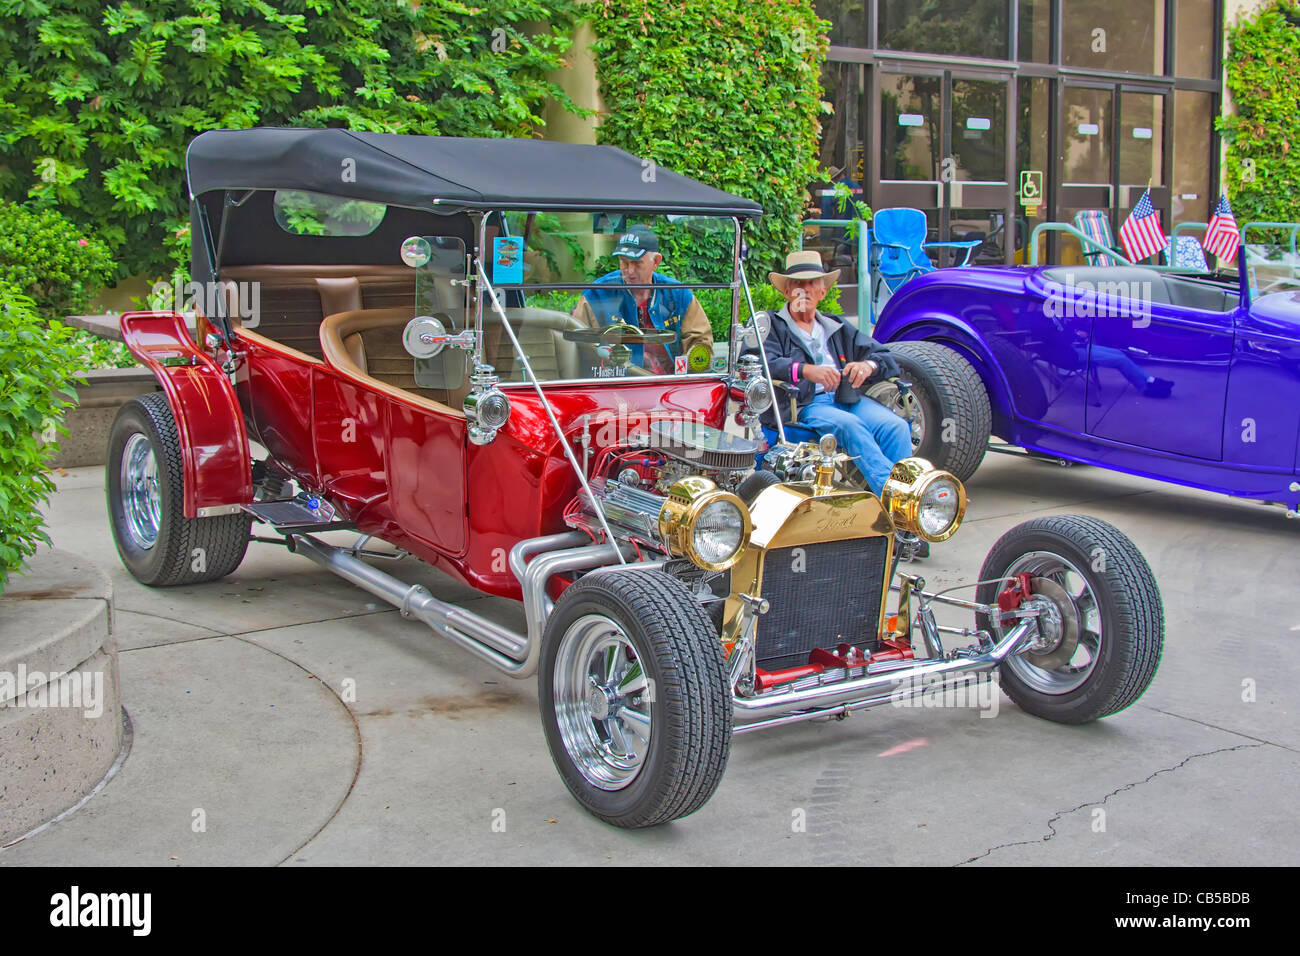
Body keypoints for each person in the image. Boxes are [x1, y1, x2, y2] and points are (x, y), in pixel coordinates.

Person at [746, 250, 913, 497]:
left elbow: (885, 357)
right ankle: (898, 498)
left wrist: (868, 366)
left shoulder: (836, 326)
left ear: (822, 291)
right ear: (786, 291)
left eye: (812, 283)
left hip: (846, 399)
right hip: (805, 404)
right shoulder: (771, 325)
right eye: (798, 284)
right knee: (851, 427)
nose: (805, 289)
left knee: (896, 426)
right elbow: (756, 361)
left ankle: (907, 496)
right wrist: (805, 370)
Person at [573, 225, 712, 373]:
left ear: (656, 262)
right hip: (615, 386)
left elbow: (701, 341)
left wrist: (683, 371)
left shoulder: (678, 294)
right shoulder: (596, 294)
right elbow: (579, 347)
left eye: (637, 263)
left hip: (669, 386)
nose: (630, 271)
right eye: (624, 262)